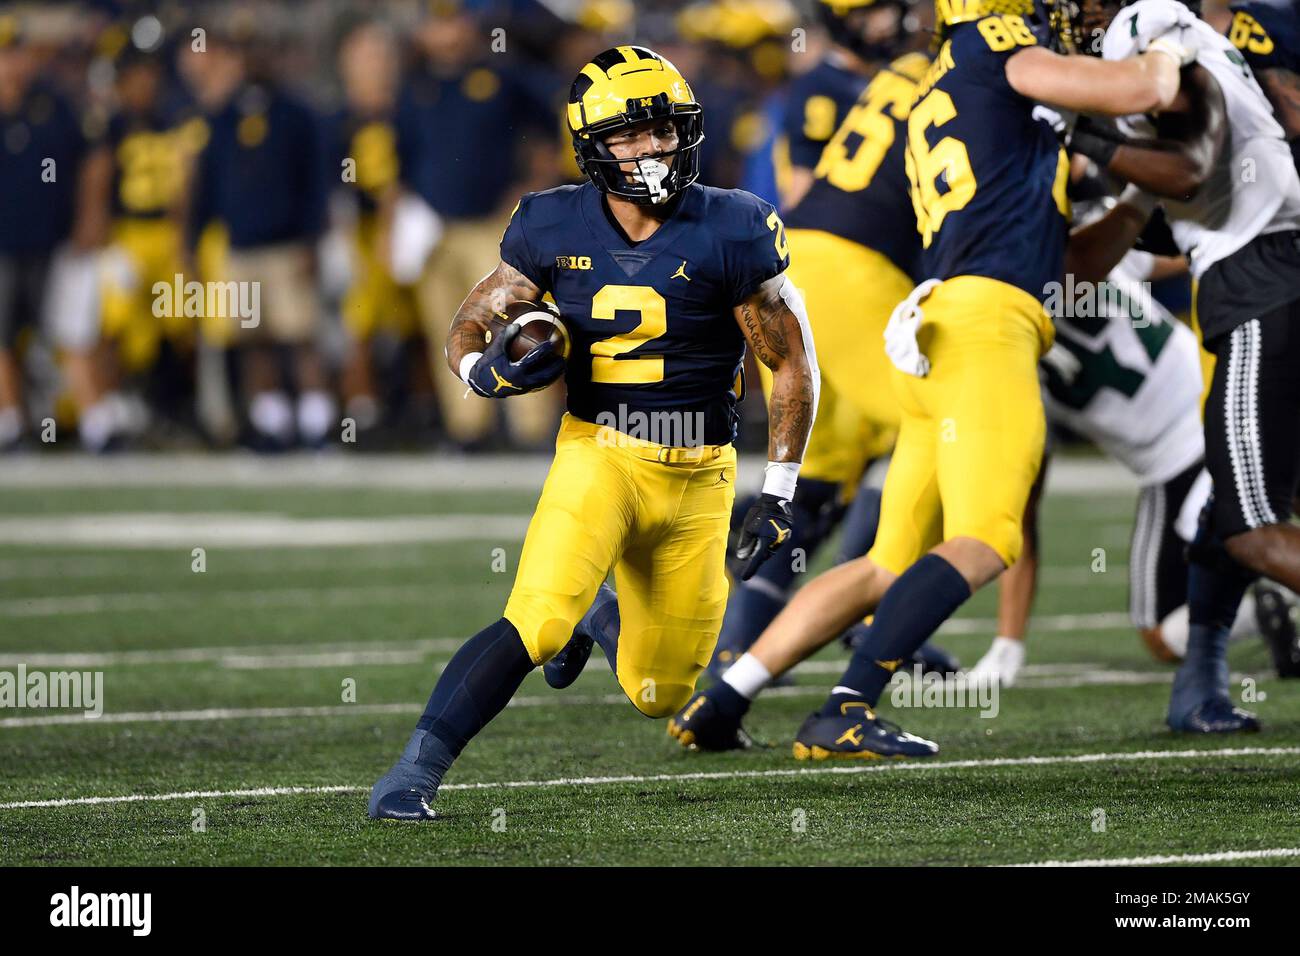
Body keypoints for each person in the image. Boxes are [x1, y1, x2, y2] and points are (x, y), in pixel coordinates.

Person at [368, 46, 819, 820]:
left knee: (661, 691)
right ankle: (413, 773)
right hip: (599, 453)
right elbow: (471, 322)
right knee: (537, 618)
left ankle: (599, 613)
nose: (651, 148)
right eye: (630, 134)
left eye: (663, 130)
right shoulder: (550, 221)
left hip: (702, 471)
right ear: (592, 146)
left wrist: (778, 493)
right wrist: (484, 374)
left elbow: (789, 365)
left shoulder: (735, 224)